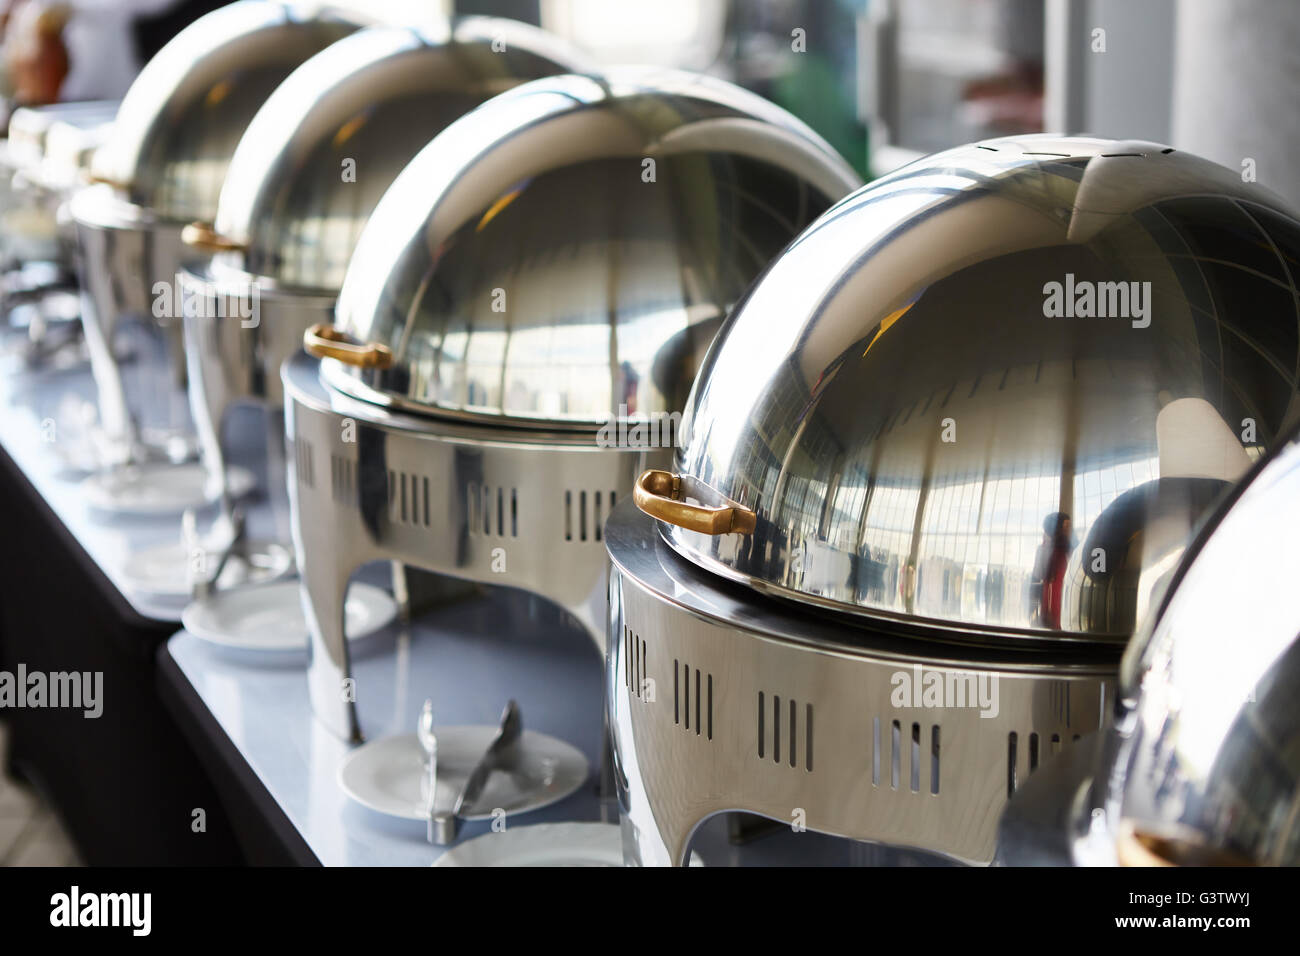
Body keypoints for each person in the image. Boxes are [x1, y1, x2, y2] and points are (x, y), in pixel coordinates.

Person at [1030, 511, 1073, 629]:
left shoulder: (1070, 548)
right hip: (1052, 602)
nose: (1069, 530)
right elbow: (1039, 574)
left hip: (1067, 599)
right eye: (1066, 526)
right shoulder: (1045, 549)